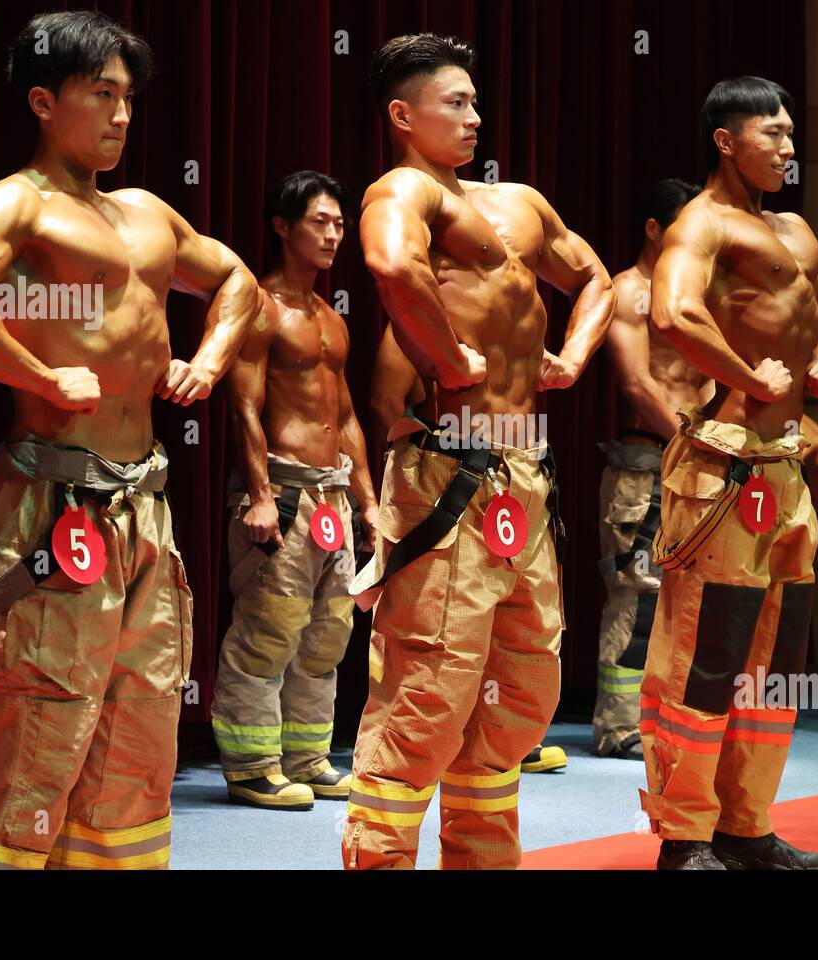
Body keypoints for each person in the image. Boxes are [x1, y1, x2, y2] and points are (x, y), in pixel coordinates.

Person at [0, 10, 259, 869]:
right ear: (41, 100)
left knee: (137, 727)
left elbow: (238, 280)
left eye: (129, 98)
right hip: (53, 503)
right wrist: (36, 374)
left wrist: (208, 361)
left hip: (145, 506)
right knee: (37, 724)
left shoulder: (145, 214)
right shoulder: (12, 206)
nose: (121, 115)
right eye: (100, 94)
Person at [343, 33, 613, 869]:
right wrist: (448, 352)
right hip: (447, 469)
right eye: (453, 103)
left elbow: (599, 278)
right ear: (403, 114)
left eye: (474, 101)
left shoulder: (521, 203)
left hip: (523, 471)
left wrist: (572, 356)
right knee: (427, 690)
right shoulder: (402, 190)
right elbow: (390, 265)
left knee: (521, 692)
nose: (474, 116)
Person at [641, 76, 818, 871]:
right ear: (727, 141)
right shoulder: (702, 223)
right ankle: (684, 836)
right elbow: (673, 313)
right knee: (706, 657)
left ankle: (745, 824)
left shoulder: (793, 229)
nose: (789, 149)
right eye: (773, 135)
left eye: (793, 135)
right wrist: (747, 378)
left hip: (786, 470)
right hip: (722, 470)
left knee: (777, 662)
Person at [211, 171, 379, 809]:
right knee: (269, 628)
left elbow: (347, 417)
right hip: (281, 490)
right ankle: (253, 764)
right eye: (319, 221)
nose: (333, 234)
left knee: (328, 632)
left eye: (340, 223)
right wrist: (258, 495)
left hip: (332, 492)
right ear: (282, 227)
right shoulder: (257, 305)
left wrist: (366, 500)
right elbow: (242, 406)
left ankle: (308, 757)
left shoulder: (332, 321)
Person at [369, 323, 568, 775]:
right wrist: (417, 475)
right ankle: (382, 837)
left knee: (521, 673)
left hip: (520, 481)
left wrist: (571, 357)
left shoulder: (523, 307)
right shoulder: (421, 309)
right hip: (449, 479)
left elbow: (594, 280)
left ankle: (481, 841)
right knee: (433, 681)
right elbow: (385, 403)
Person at [593, 177, 706, 761]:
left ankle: (669, 717)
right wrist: (699, 438)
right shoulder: (628, 292)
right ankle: (619, 725)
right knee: (637, 594)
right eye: (682, 228)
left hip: (703, 464)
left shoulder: (694, 295)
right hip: (646, 464)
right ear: (655, 229)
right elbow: (637, 384)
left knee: (690, 598)